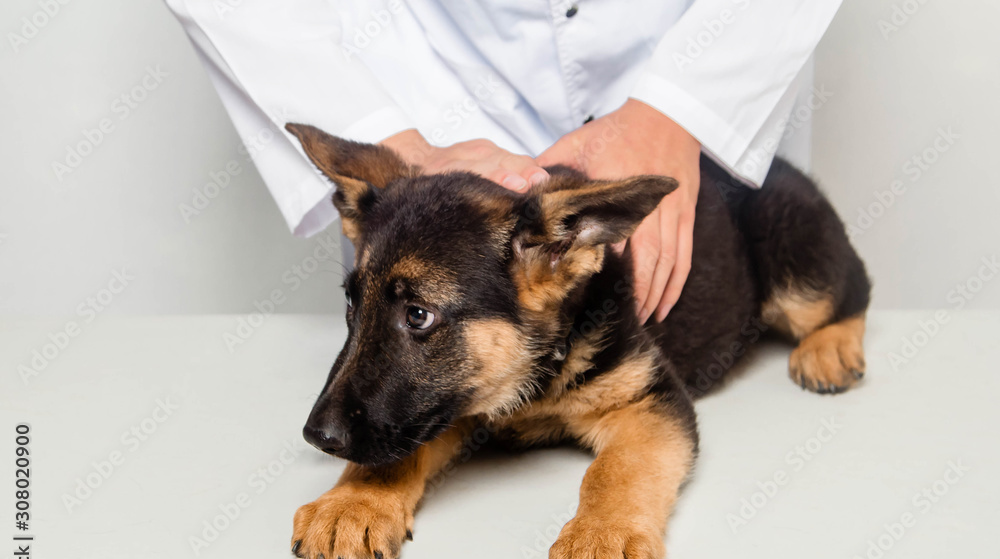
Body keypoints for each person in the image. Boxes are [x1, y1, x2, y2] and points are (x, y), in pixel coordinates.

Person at [166, 0, 842, 322]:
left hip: (693, 64)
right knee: (426, 372)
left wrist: (681, 106)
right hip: (424, 87)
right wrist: (394, 146)